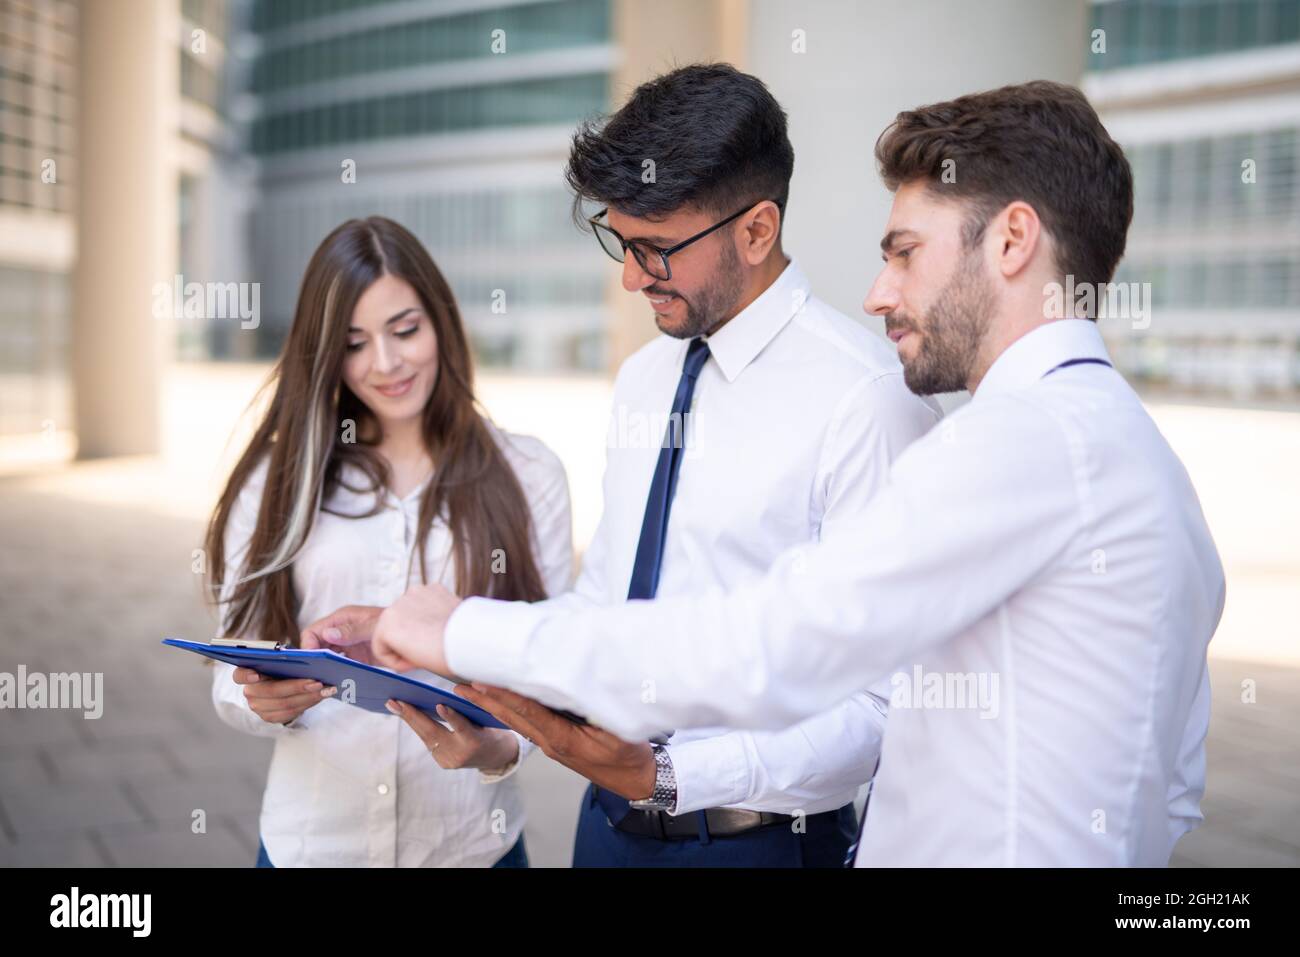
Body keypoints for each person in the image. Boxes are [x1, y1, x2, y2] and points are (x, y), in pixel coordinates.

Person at [348, 81, 1227, 867]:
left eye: (906, 251)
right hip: (611, 825)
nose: (879, 291)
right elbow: (1172, 784)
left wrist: (466, 630)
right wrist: (470, 684)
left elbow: (777, 643)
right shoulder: (1145, 464)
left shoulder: (1010, 442)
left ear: (1013, 240)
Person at [310, 63, 939, 868]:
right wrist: (483, 696)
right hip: (602, 830)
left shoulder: (870, 400)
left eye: (655, 249)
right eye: (620, 241)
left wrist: (672, 775)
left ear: (756, 230)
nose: (630, 275)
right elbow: (608, 604)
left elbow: (883, 705)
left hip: (758, 846)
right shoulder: (645, 377)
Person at [204, 216, 572, 867]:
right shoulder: (277, 481)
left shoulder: (528, 472)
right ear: (325, 354)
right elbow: (232, 667)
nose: (386, 362)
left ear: (441, 321)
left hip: (470, 846)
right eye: (354, 342)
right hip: (311, 847)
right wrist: (262, 697)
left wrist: (497, 748)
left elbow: (551, 659)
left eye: (405, 330)